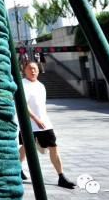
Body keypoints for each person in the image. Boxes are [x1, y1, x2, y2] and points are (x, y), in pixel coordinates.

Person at [19, 61, 76, 189]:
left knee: (54, 147)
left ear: (38, 71)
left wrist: (42, 120)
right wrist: (35, 119)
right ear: (24, 70)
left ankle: (61, 176)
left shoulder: (41, 86)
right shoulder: (23, 84)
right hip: (28, 124)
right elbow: (23, 104)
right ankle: (17, 169)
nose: (33, 71)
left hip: (45, 124)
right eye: (30, 69)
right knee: (26, 148)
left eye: (35, 69)